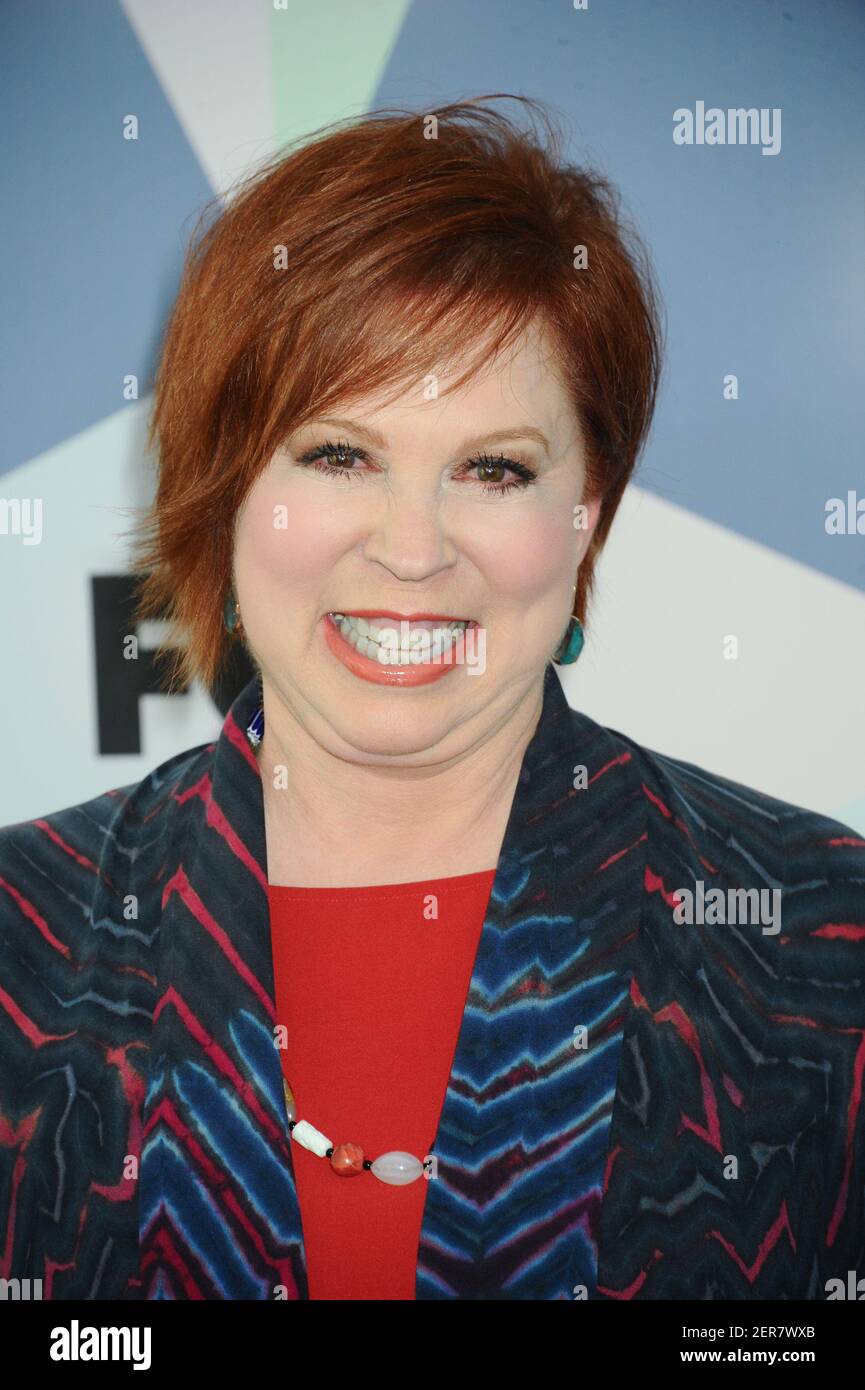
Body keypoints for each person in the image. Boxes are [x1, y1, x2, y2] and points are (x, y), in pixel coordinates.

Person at [1, 95, 862, 1302]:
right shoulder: (17, 937)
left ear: (587, 519)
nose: (412, 548)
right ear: (226, 493)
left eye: (492, 468)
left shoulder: (822, 944)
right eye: (338, 454)